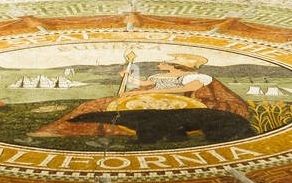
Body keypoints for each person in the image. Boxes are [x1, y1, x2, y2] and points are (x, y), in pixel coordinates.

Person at [28, 53, 254, 143]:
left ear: (180, 66)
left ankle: (84, 130)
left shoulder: (199, 77)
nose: (161, 63)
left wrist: (150, 93)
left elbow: (179, 93)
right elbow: (144, 84)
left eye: (168, 62)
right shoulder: (160, 75)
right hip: (149, 99)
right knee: (91, 105)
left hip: (177, 105)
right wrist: (129, 78)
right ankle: (59, 127)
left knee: (128, 116)